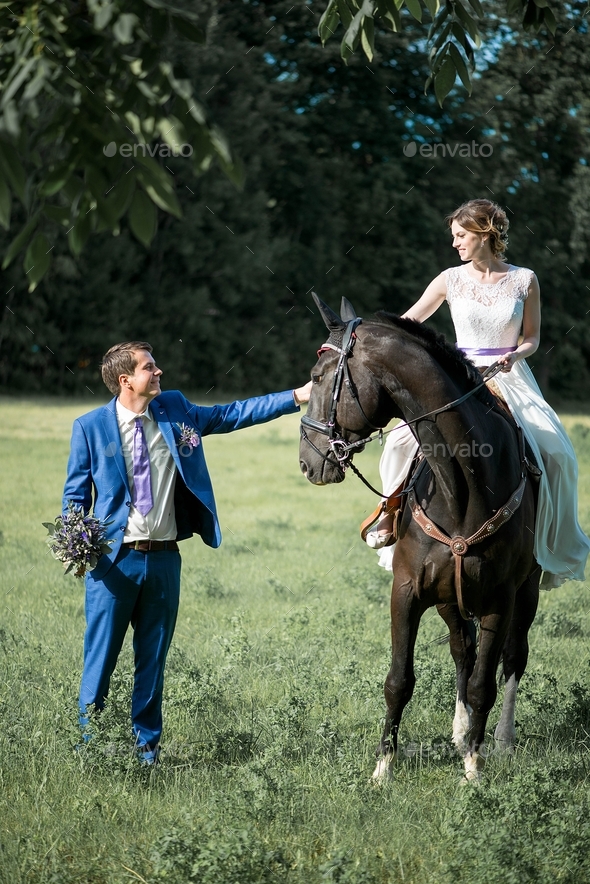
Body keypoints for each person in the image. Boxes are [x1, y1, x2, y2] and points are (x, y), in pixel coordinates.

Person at [64, 341, 312, 763]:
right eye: (149, 368)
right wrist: (78, 544)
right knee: (100, 661)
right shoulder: (89, 427)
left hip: (163, 561)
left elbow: (231, 414)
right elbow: (74, 498)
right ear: (126, 380)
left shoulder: (175, 410)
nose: (158, 373)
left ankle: (146, 753)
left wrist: (296, 397)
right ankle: (90, 750)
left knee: (152, 663)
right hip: (113, 567)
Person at [364, 199, 590, 590]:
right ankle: (390, 511)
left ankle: (546, 540)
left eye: (461, 235)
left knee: (558, 454)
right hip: (458, 378)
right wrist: (369, 336)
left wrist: (514, 354)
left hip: (509, 375)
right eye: (454, 236)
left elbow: (532, 338)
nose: (455, 243)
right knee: (400, 443)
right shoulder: (448, 279)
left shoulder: (525, 279)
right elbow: (407, 323)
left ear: (485, 233)